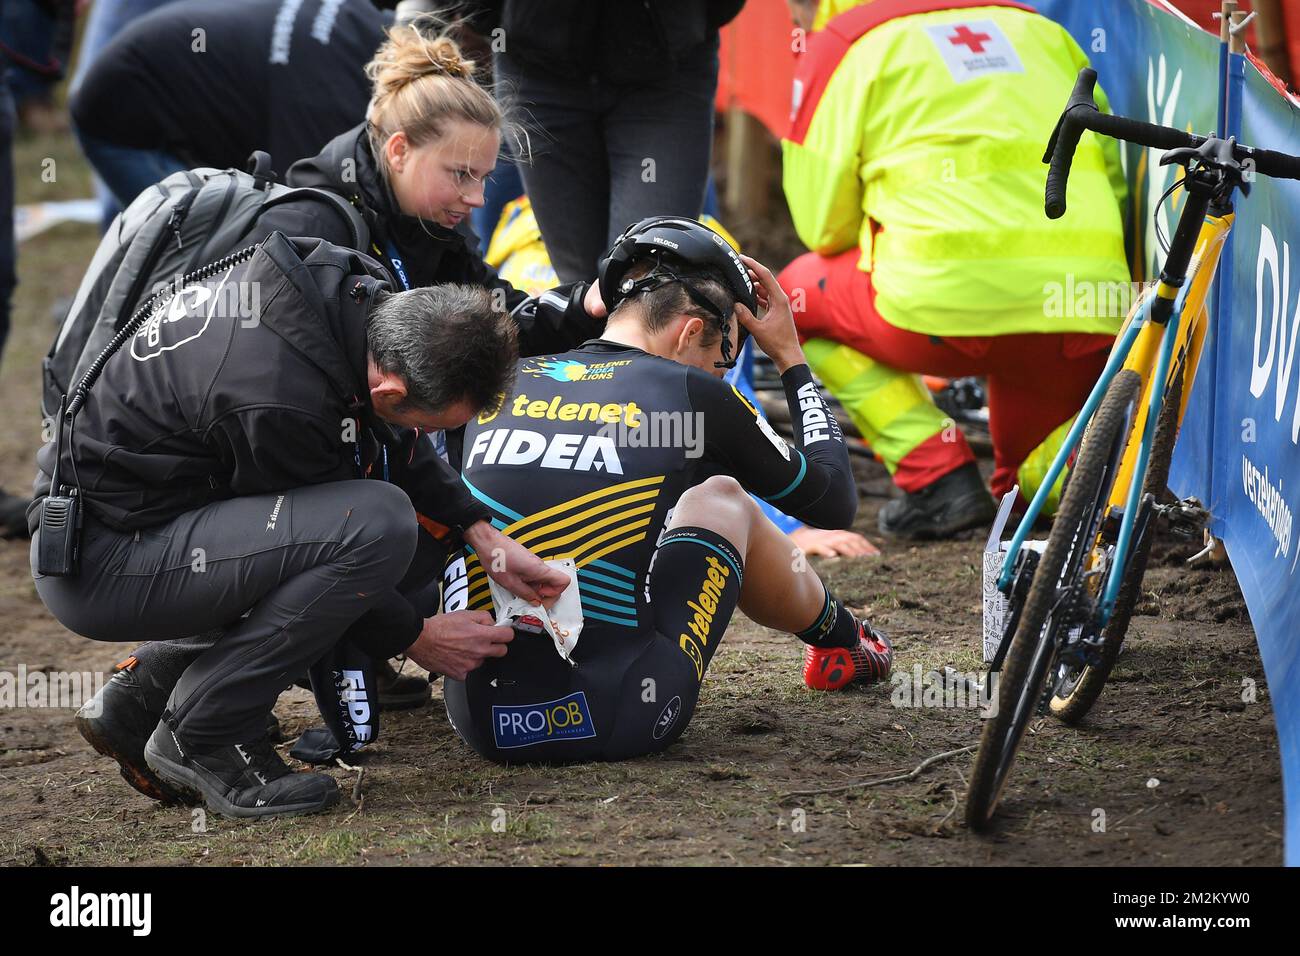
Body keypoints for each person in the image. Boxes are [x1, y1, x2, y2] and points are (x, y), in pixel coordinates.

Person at [72, 21, 614, 772]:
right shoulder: (312, 225)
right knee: (353, 532)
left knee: (379, 516)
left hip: (212, 483)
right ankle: (197, 724)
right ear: (398, 150)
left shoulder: (416, 224)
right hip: (139, 520)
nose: (477, 195)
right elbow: (301, 486)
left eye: (484, 177)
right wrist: (412, 630)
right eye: (461, 174)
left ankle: (166, 693)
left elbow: (484, 321)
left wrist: (584, 308)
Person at [31, 233, 571, 817]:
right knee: (377, 527)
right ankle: (208, 737)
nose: (424, 434)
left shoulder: (350, 298)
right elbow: (330, 558)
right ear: (389, 388)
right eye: (431, 421)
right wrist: (416, 635)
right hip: (101, 564)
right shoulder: (281, 397)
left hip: (143, 519)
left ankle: (144, 693)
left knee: (356, 529)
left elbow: (394, 435)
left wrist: (480, 531)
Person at [442, 217, 893, 764]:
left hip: (480, 723)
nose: (721, 375)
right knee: (723, 496)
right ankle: (843, 645)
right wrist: (792, 360)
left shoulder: (504, 377)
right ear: (689, 331)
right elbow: (833, 502)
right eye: (724, 358)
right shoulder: (691, 392)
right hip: (618, 719)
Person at [779, 0, 1130, 538]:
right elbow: (1114, 174)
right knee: (1019, 491)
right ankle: (1080, 472)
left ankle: (937, 477)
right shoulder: (1042, 30)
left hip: (934, 310)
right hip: (1079, 309)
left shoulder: (845, 44)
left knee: (792, 298)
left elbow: (823, 227)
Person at [481, 0, 744, 282]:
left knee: (649, 270)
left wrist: (690, 20)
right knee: (578, 285)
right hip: (538, 63)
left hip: (667, 65)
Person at [70, 0, 390, 212]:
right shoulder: (324, 95)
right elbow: (299, 203)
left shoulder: (365, 21)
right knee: (194, 245)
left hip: (156, 69)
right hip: (118, 114)